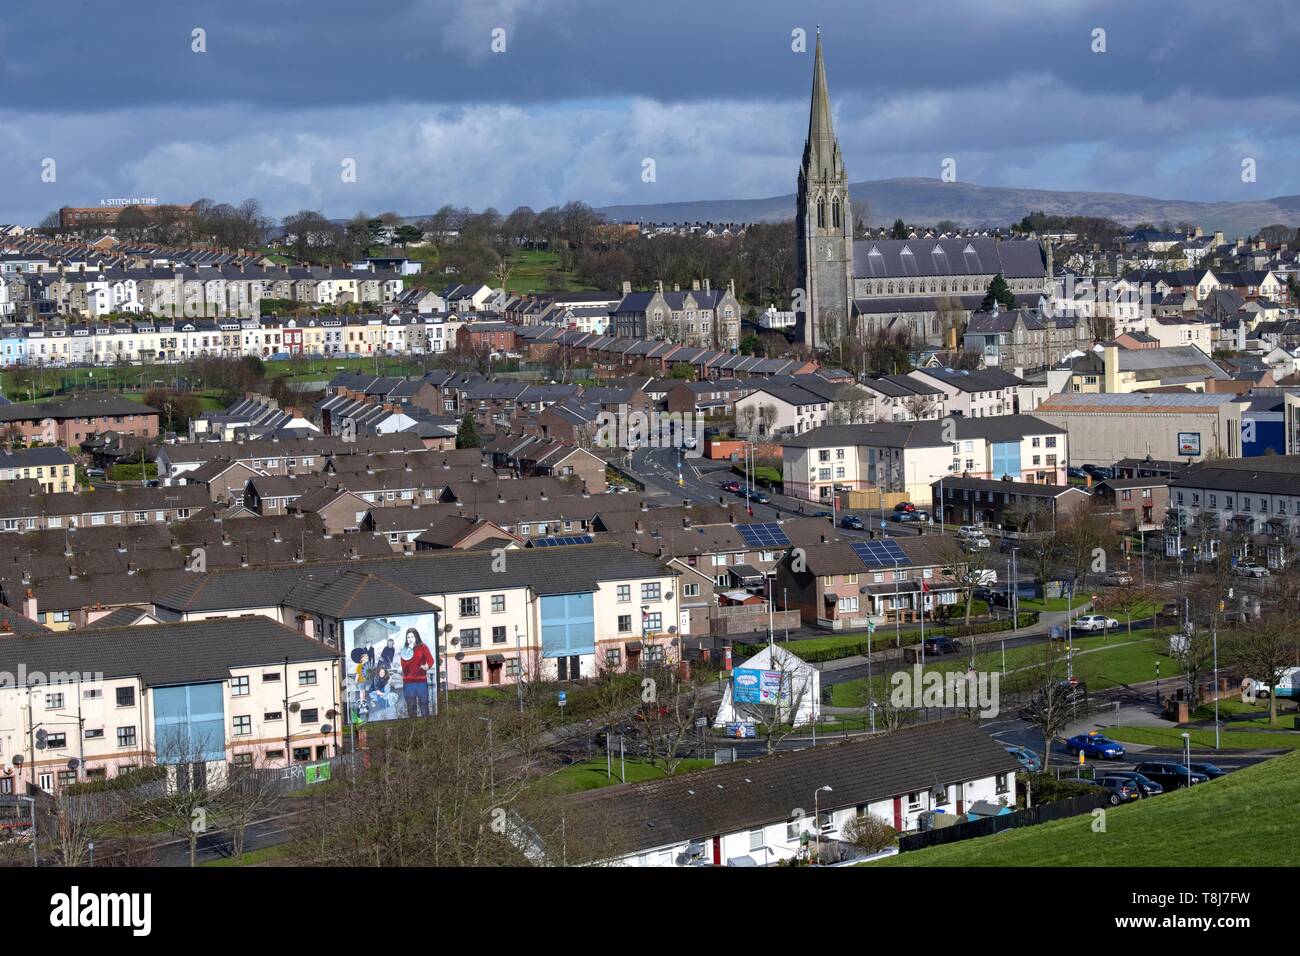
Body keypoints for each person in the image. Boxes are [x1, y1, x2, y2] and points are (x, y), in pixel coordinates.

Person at [398, 628, 435, 717]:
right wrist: (409, 651)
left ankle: (427, 727)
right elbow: (404, 668)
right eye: (408, 637)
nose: (410, 639)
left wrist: (427, 666)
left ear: (416, 637)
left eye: (412, 637)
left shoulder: (423, 647)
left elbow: (431, 660)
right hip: (408, 683)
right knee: (411, 708)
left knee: (424, 706)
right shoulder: (404, 651)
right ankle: (413, 729)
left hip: (421, 682)